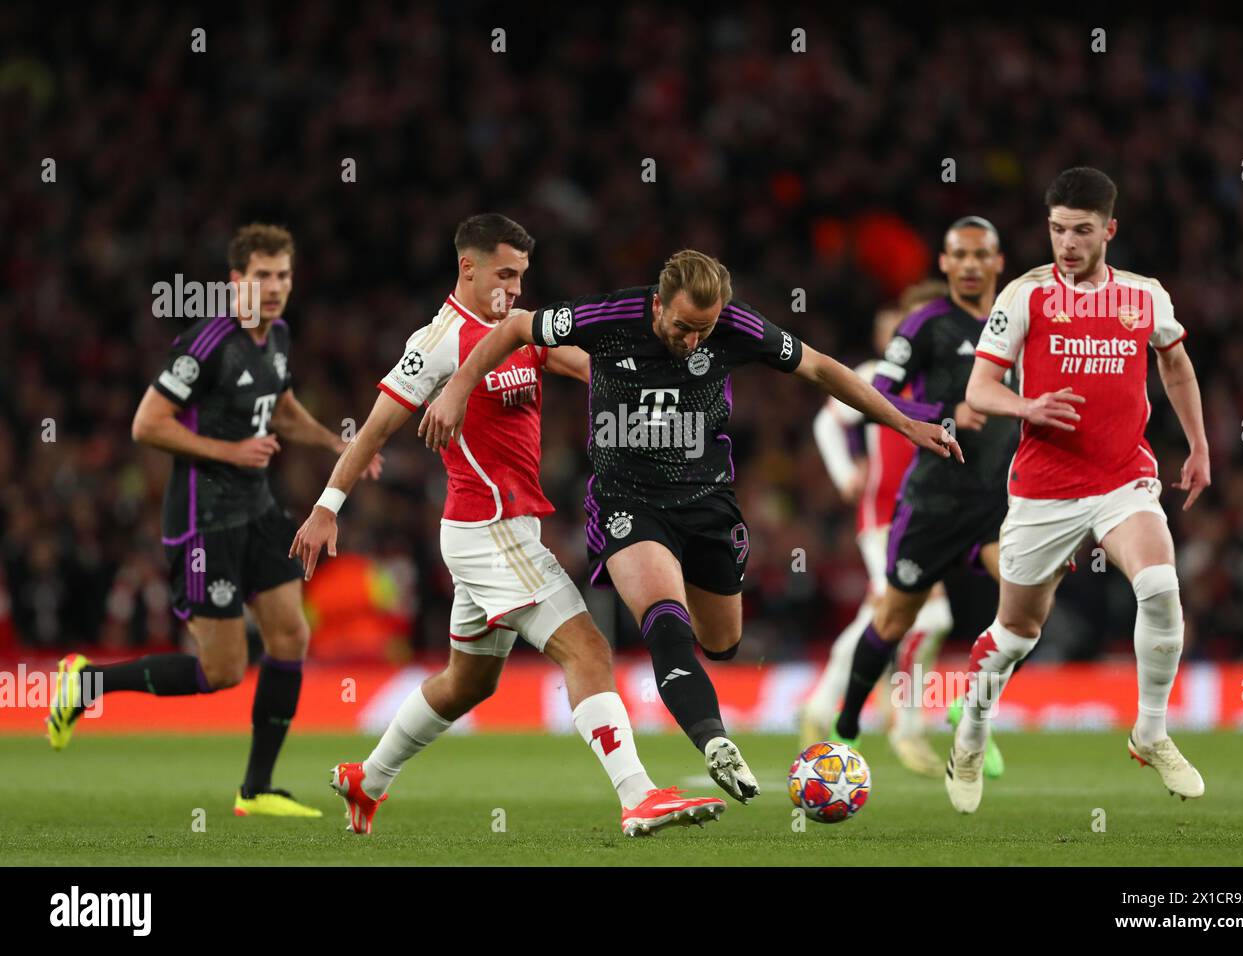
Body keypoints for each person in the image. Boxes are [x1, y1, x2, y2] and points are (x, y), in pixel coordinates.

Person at [419, 249, 961, 803]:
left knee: (722, 642)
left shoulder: (734, 325)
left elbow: (820, 367)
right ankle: (714, 741)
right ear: (657, 304)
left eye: (704, 329)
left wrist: (906, 421)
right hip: (627, 501)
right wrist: (459, 387)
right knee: (666, 624)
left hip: (707, 503)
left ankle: (709, 700)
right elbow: (514, 328)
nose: (694, 341)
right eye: (682, 326)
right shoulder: (605, 318)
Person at [290, 214, 724, 836]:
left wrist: (663, 371)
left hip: (504, 529)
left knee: (466, 683)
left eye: (521, 275)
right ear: (467, 268)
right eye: (504, 274)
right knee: (589, 650)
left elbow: (586, 366)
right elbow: (377, 425)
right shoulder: (440, 341)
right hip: (488, 529)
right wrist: (327, 505)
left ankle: (369, 778)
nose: (515, 289)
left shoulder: (518, 328)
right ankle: (637, 795)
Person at [48, 223, 381, 817]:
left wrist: (340, 446)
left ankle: (256, 790)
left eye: (283, 275)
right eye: (262, 276)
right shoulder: (207, 342)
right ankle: (87, 683)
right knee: (222, 669)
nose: (275, 287)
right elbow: (146, 424)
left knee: (290, 635)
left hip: (255, 510)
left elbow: (280, 411)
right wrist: (231, 452)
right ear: (236, 280)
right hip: (205, 522)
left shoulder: (277, 335)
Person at [945, 168, 1210, 812]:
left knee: (1160, 587)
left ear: (1109, 231)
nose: (1067, 243)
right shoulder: (1024, 296)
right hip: (1044, 490)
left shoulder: (1146, 296)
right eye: (1059, 229)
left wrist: (1200, 445)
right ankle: (971, 734)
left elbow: (1174, 362)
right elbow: (979, 391)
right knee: (1016, 633)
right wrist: (1027, 406)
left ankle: (1150, 732)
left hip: (1124, 478)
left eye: (1082, 231)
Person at [830, 218, 1018, 779]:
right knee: (893, 621)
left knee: (1028, 611)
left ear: (997, 262)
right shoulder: (925, 324)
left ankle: (971, 705)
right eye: (958, 254)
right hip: (932, 504)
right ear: (943, 263)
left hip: (994, 505)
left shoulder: (1019, 323)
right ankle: (845, 731)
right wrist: (942, 415)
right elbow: (876, 395)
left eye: (979, 254)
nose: (969, 264)